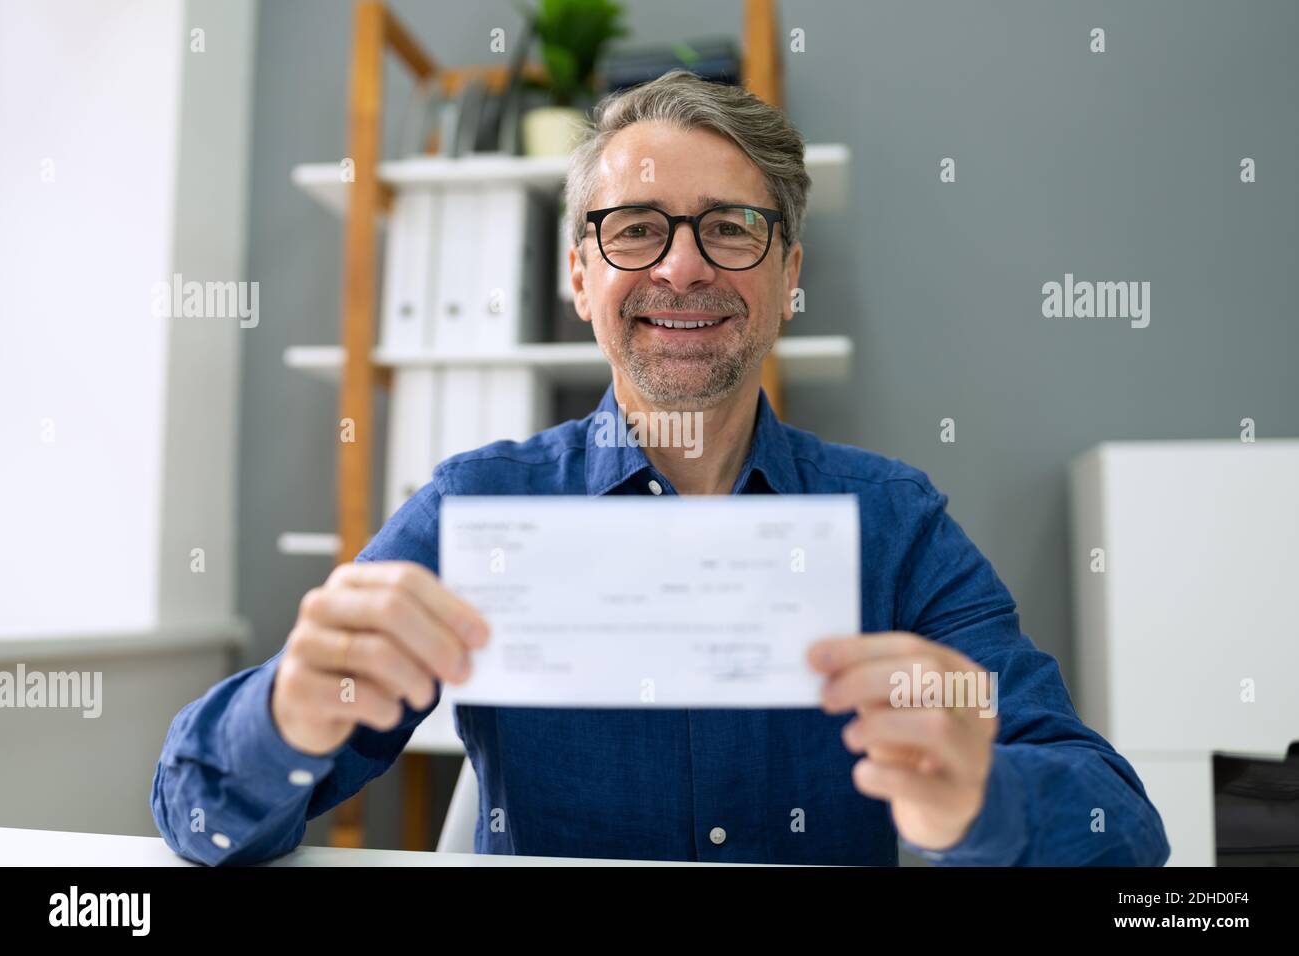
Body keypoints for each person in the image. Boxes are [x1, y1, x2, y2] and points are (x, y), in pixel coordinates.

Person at [151, 70, 1170, 866]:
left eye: (730, 227)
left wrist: (978, 797)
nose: (682, 267)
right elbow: (196, 816)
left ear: (787, 276)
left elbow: (1120, 826)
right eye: (636, 228)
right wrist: (290, 709)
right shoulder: (479, 504)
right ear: (580, 271)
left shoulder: (893, 525)